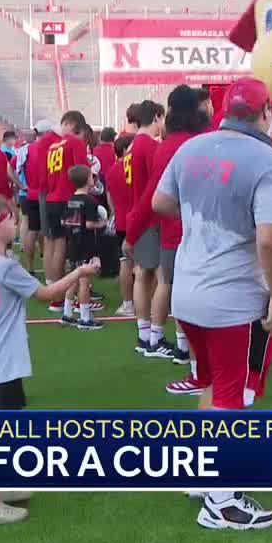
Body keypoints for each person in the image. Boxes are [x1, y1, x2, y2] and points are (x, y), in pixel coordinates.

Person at [152, 77, 272, 530]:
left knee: (211, 386)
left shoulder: (190, 148)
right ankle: (222, 501)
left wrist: (204, 218)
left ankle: (204, 477)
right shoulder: (268, 159)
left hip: (188, 289)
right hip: (232, 297)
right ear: (267, 111)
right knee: (232, 395)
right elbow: (270, 238)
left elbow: (161, 201)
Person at [0, 195, 98, 524]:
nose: (14, 222)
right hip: (1, 359)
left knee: (10, 418)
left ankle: (0, 487)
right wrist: (80, 271)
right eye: (8, 219)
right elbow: (46, 294)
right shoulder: (5, 267)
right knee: (2, 429)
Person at [127, 86, 209, 364]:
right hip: (202, 231)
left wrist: (132, 231)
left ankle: (157, 338)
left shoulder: (164, 147)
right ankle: (188, 351)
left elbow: (151, 195)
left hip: (171, 230)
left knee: (167, 283)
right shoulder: (206, 141)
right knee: (190, 288)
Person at [123, 100, 165, 354]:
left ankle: (145, 333)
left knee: (143, 274)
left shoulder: (131, 146)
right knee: (160, 277)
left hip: (136, 215)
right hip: (149, 217)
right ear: (157, 117)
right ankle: (153, 337)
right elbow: (156, 187)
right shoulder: (149, 146)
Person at [43, 111, 90, 309]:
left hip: (52, 197)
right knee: (72, 247)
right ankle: (71, 295)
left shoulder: (53, 145)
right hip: (67, 199)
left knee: (54, 244)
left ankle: (56, 293)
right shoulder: (75, 143)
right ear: (74, 126)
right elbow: (83, 170)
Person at [60, 165, 105, 330]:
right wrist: (103, 223)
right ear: (87, 180)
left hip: (72, 242)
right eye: (92, 176)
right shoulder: (89, 201)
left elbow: (64, 221)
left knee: (73, 279)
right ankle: (85, 317)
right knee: (85, 281)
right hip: (85, 244)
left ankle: (67, 313)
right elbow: (90, 224)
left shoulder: (70, 200)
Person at [106, 127, 136, 319]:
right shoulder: (135, 165)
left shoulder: (111, 171)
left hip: (121, 220)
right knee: (146, 267)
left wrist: (115, 215)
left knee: (125, 263)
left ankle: (128, 304)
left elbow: (110, 200)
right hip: (139, 219)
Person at [18, 121, 55, 274]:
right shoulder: (50, 149)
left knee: (32, 230)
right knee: (47, 234)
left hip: (29, 193)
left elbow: (13, 167)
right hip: (44, 193)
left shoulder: (25, 149)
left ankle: (30, 266)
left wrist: (21, 186)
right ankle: (49, 270)